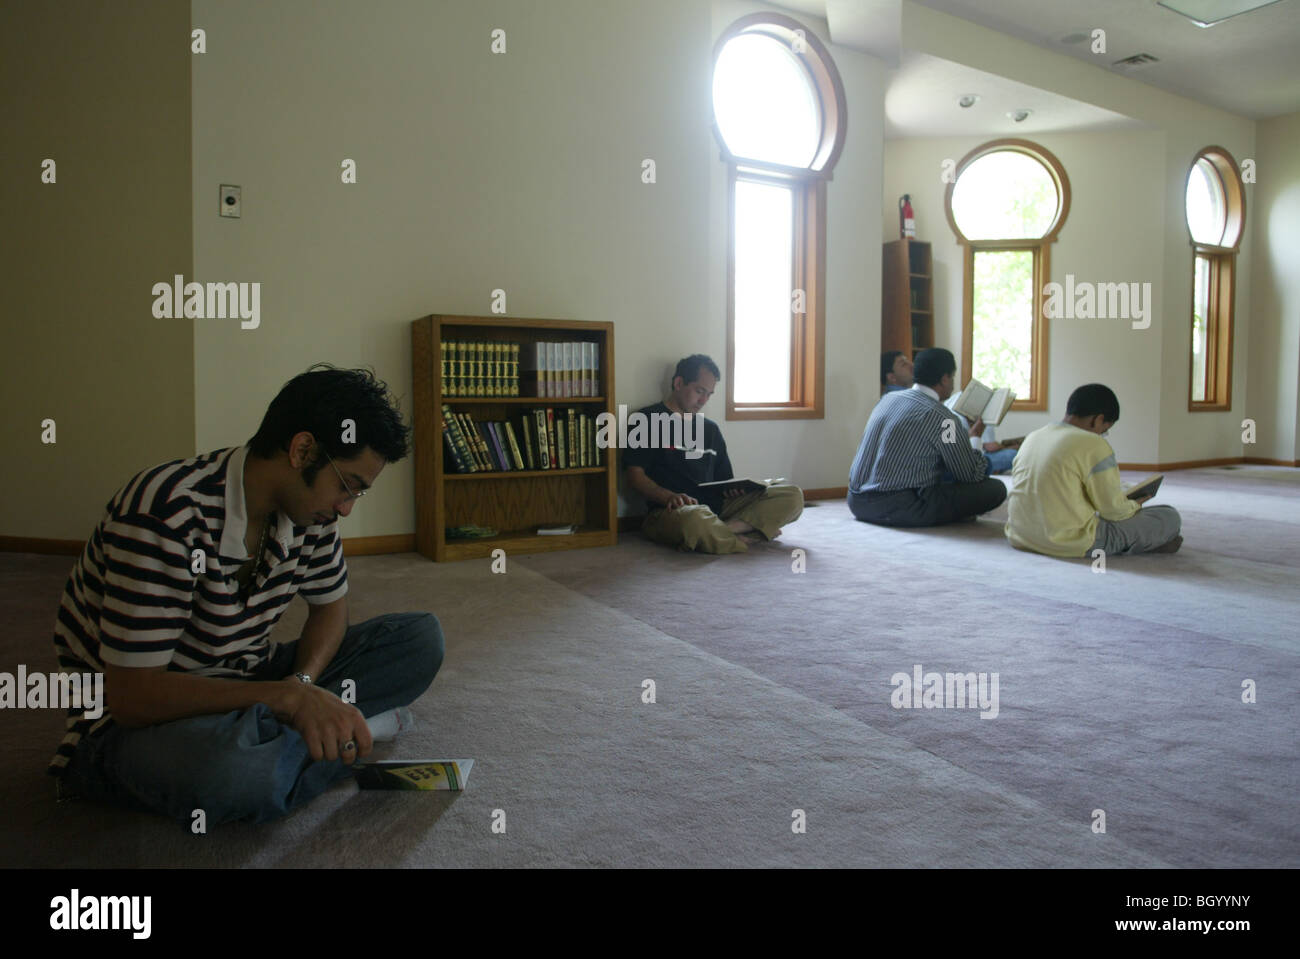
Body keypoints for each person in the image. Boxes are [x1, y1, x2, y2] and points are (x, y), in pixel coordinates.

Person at [49, 365, 444, 824]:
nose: (346, 508)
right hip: (133, 722)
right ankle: (351, 735)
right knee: (237, 776)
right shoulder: (163, 512)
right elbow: (134, 697)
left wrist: (300, 686)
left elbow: (331, 610)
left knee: (419, 639)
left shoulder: (309, 515)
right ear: (302, 450)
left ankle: (292, 736)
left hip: (249, 678)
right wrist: (288, 702)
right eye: (347, 485)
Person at [624, 354, 803, 553]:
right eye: (699, 391)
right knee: (695, 521)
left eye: (709, 394)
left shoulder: (710, 429)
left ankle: (724, 531)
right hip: (671, 512)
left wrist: (734, 489)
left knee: (791, 495)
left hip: (716, 509)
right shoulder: (646, 419)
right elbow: (635, 476)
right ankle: (745, 535)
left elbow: (725, 480)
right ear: (678, 383)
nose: (703, 400)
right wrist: (669, 497)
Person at [1005, 383, 1182, 557]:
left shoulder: (1034, 436)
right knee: (1168, 516)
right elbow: (1113, 511)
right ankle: (1144, 544)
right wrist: (1135, 504)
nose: (1102, 435)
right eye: (1104, 430)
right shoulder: (1094, 444)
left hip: (1020, 536)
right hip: (1069, 542)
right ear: (1097, 419)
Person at [848, 347, 1007, 526]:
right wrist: (975, 436)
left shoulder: (887, 400)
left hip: (857, 502)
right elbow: (970, 475)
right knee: (996, 489)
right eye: (952, 377)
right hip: (901, 507)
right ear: (945, 379)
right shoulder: (945, 419)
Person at [944, 389, 1020, 475]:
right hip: (965, 461)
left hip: (948, 460)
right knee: (1013, 454)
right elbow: (990, 447)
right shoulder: (985, 409)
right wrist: (1012, 447)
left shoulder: (953, 399)